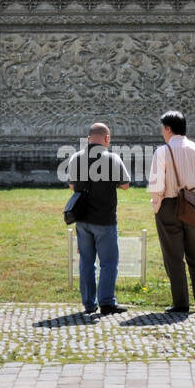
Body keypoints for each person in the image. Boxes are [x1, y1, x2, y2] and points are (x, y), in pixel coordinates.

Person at [146, 110, 195, 313]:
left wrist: (156, 205)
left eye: (162, 128)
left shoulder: (162, 151)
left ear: (168, 129)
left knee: (174, 256)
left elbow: (156, 187)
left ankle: (181, 303)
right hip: (194, 205)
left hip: (169, 205)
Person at [68, 122, 132, 316]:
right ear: (107, 139)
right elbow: (125, 185)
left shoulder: (75, 158)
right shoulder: (112, 159)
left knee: (86, 261)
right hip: (105, 219)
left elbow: (72, 186)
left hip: (83, 219)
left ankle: (88, 303)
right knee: (109, 262)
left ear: (88, 138)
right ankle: (106, 302)